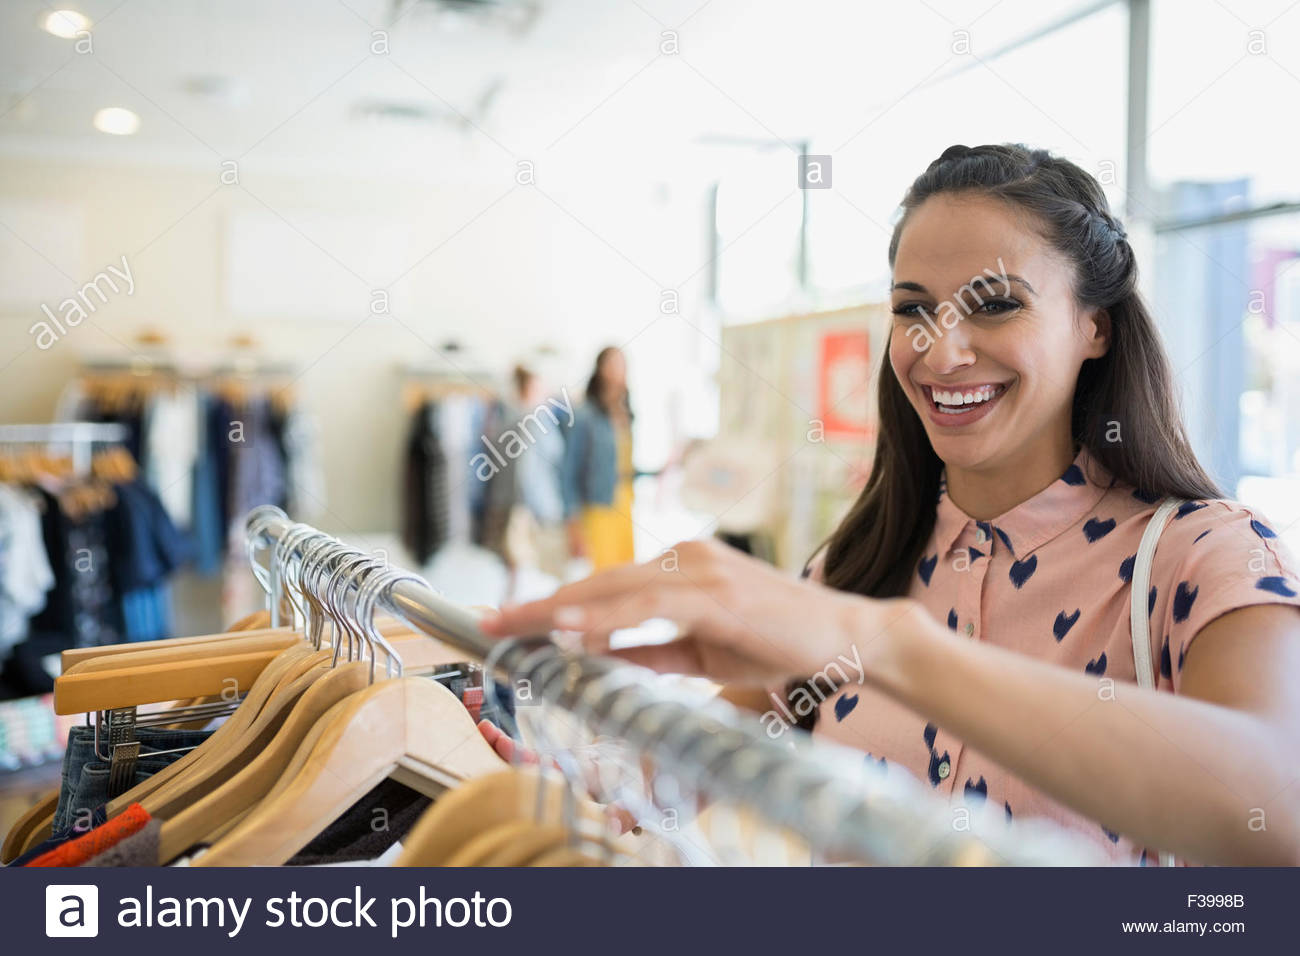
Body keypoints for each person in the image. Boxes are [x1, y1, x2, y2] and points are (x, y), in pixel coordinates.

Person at [483, 144, 1300, 866]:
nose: (940, 351)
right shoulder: (850, 569)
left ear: (1096, 326)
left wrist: (890, 644)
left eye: (996, 304)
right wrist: (566, 787)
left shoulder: (1209, 558)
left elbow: (1279, 807)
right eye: (913, 309)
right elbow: (694, 777)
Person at [562, 346, 636, 570]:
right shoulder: (585, 415)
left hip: (624, 501)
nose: (619, 370)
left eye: (622, 364)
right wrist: (572, 521)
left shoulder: (627, 413)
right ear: (600, 369)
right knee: (603, 574)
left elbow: (623, 463)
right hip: (597, 506)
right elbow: (569, 469)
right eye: (613, 364)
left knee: (626, 573)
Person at [503, 363, 569, 584]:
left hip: (542, 508)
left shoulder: (527, 418)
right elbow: (527, 472)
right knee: (546, 574)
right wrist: (537, 510)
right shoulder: (534, 421)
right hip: (542, 512)